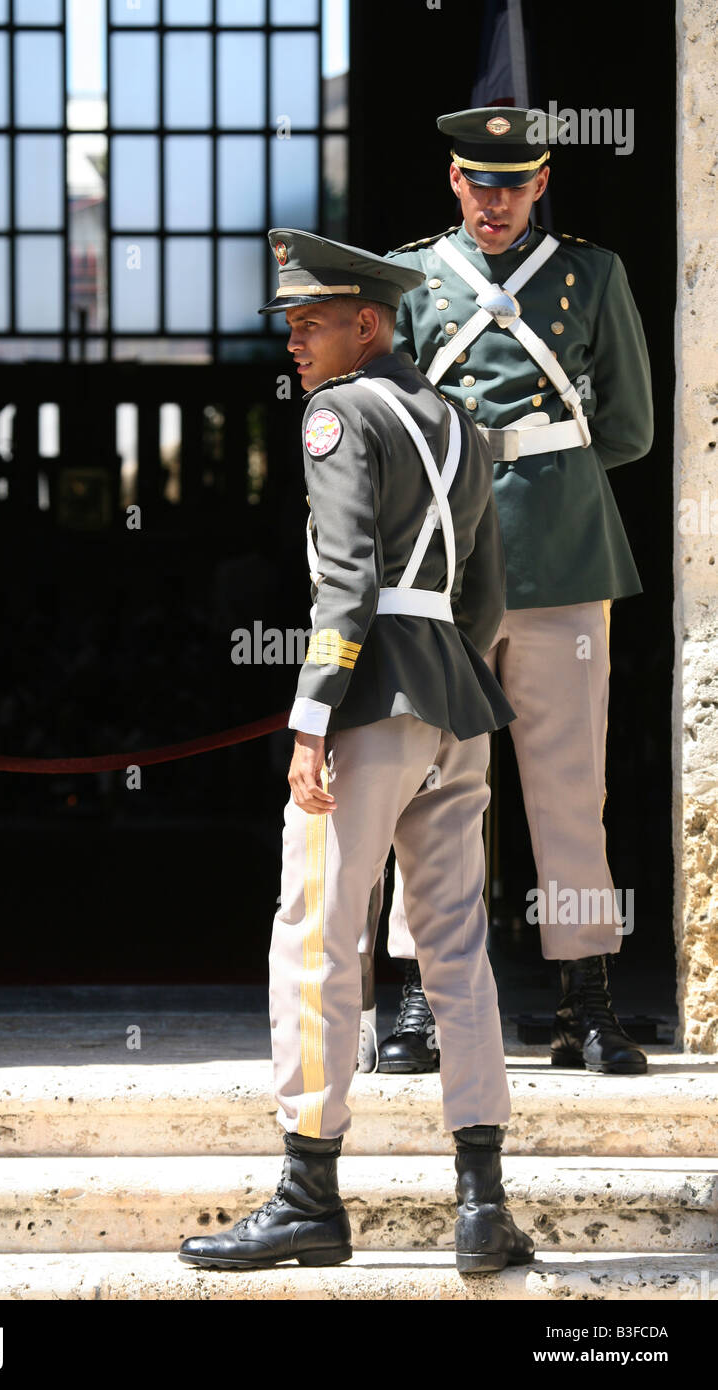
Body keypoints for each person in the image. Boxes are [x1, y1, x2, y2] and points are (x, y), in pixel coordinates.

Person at [178, 228, 534, 1274]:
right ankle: (479, 1199)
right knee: (455, 944)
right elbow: (486, 593)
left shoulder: (337, 416)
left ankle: (307, 1192)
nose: (294, 340)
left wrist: (310, 714)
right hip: (450, 703)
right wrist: (447, 680)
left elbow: (345, 577)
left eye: (311, 321)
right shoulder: (459, 421)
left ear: (368, 325)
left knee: (320, 936)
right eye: (290, 324)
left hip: (366, 699)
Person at [371, 106, 653, 1077]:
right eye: (475, 182)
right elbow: (385, 424)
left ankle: (586, 998)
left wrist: (541, 470)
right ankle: (418, 994)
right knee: (434, 782)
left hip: (561, 557)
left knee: (569, 786)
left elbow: (628, 428)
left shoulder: (594, 273)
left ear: (540, 184)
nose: (492, 202)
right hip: (442, 564)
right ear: (452, 180)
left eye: (512, 183)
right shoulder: (405, 276)